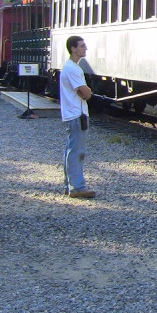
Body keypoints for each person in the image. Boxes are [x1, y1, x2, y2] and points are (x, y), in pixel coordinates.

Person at [60, 36, 95, 199]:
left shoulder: (69, 67)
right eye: (82, 46)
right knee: (77, 152)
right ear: (73, 48)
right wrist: (87, 91)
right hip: (77, 114)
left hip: (72, 114)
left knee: (70, 150)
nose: (85, 48)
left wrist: (85, 90)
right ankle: (77, 187)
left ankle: (70, 185)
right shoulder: (74, 69)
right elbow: (85, 93)